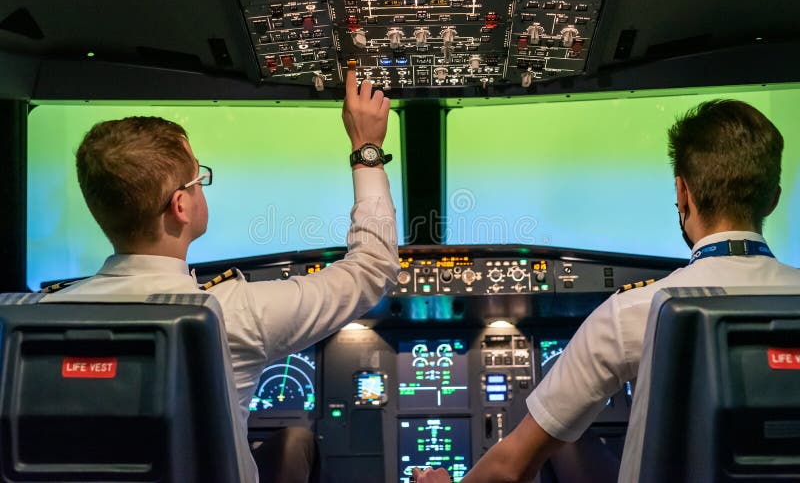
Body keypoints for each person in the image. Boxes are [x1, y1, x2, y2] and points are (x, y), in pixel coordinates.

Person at [413, 99, 800, 483]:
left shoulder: (634, 311)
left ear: (682, 193)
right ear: (773, 198)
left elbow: (512, 468)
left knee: (556, 430)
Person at [48, 69, 399, 483]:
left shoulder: (31, 319)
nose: (203, 188)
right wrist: (367, 148)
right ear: (180, 205)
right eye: (200, 179)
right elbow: (373, 267)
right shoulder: (229, 313)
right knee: (297, 441)